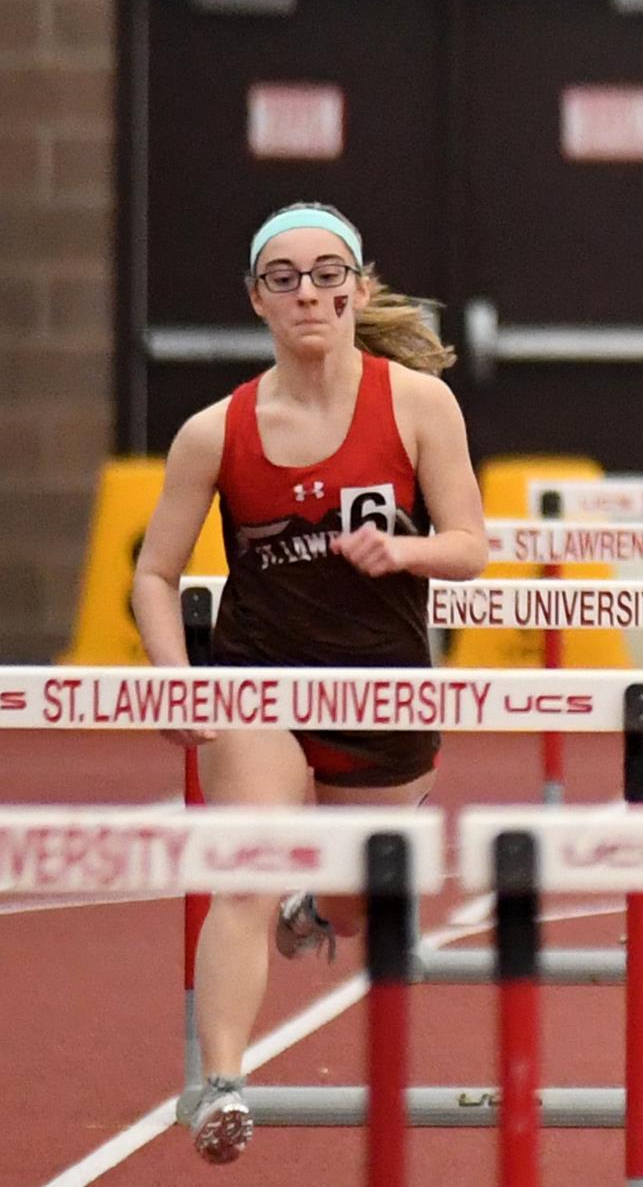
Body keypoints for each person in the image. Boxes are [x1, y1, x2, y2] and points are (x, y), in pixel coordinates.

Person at [129, 203, 487, 1165]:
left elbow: (470, 547)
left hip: (382, 696)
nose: (308, 294)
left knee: (358, 902)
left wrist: (403, 551)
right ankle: (223, 1087)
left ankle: (319, 912)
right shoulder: (215, 432)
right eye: (282, 279)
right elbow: (155, 574)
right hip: (260, 685)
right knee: (247, 871)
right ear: (257, 300)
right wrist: (177, 683)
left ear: (358, 289)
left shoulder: (418, 405)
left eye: (328, 274)